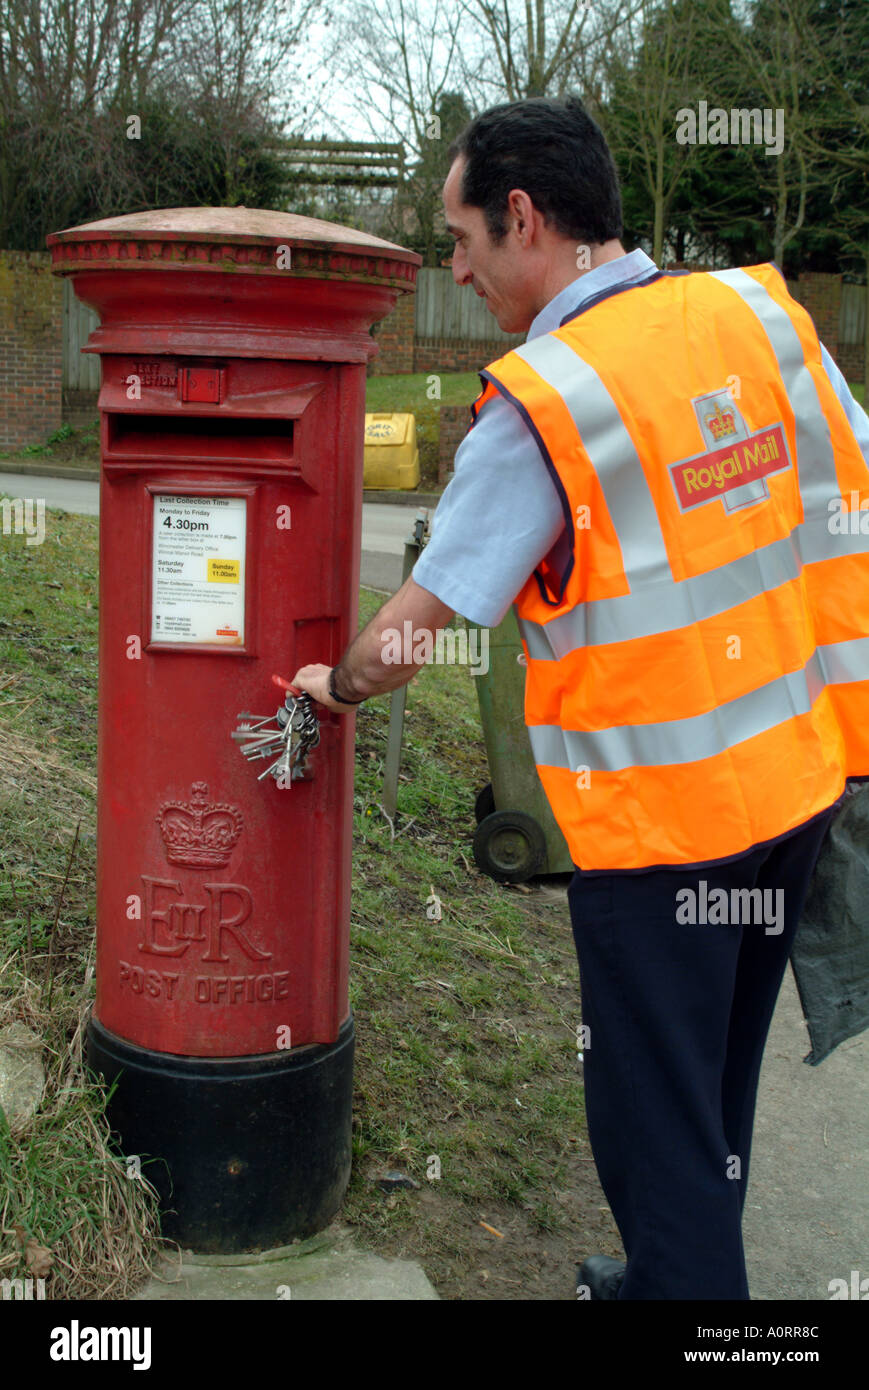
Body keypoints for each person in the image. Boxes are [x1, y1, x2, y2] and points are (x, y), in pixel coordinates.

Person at [291, 96, 869, 1300]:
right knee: (710, 1083)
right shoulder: (755, 314)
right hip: (794, 785)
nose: (454, 268)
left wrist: (332, 685)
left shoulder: (547, 401)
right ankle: (666, 1271)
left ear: (522, 217)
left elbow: (418, 629)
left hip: (664, 832)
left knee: (648, 1116)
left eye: (458, 240)